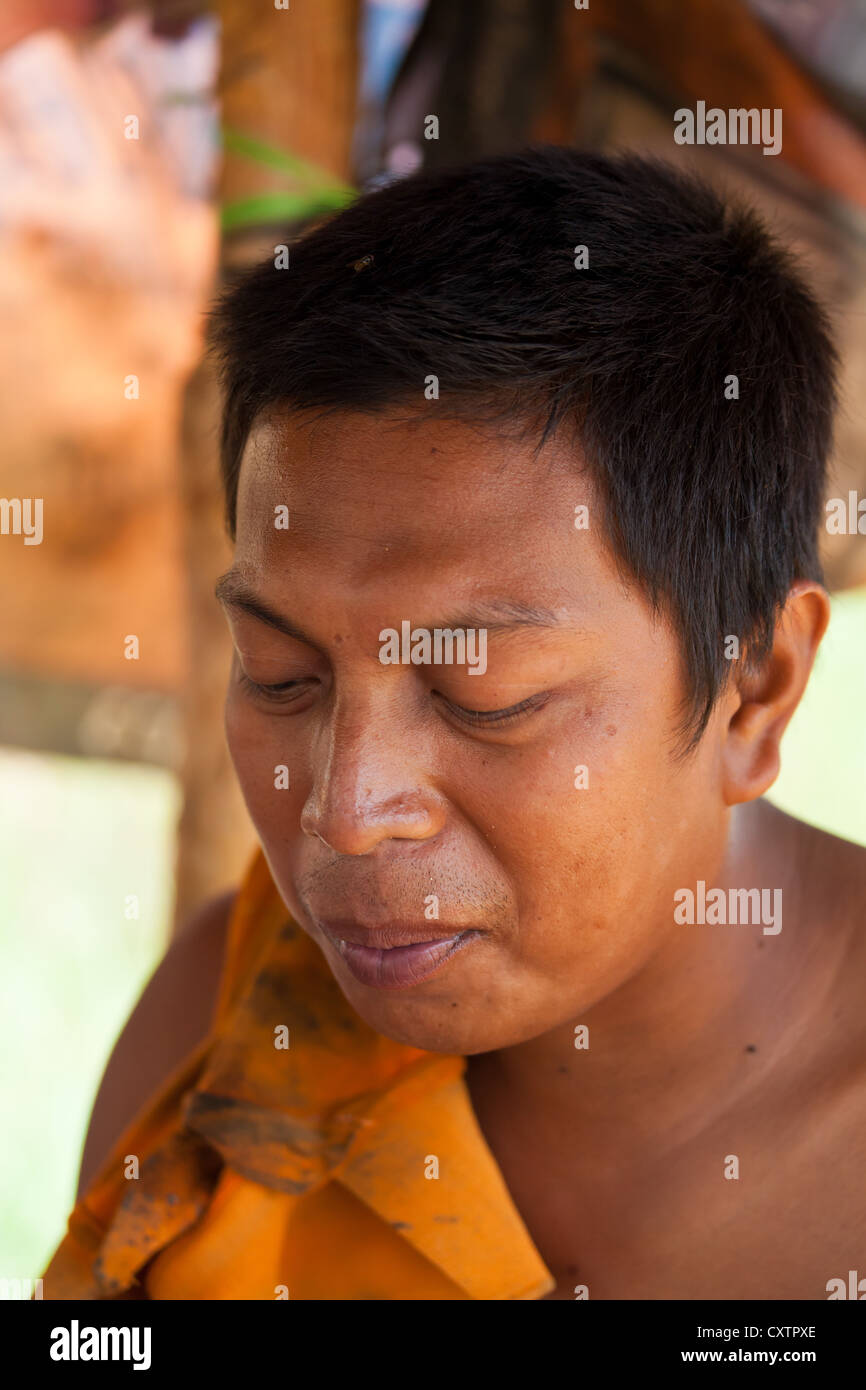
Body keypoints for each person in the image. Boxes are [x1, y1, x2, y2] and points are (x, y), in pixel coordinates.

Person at [44, 147, 866, 1300]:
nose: (345, 811)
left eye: (487, 696)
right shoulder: (222, 1049)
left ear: (756, 687)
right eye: (281, 676)